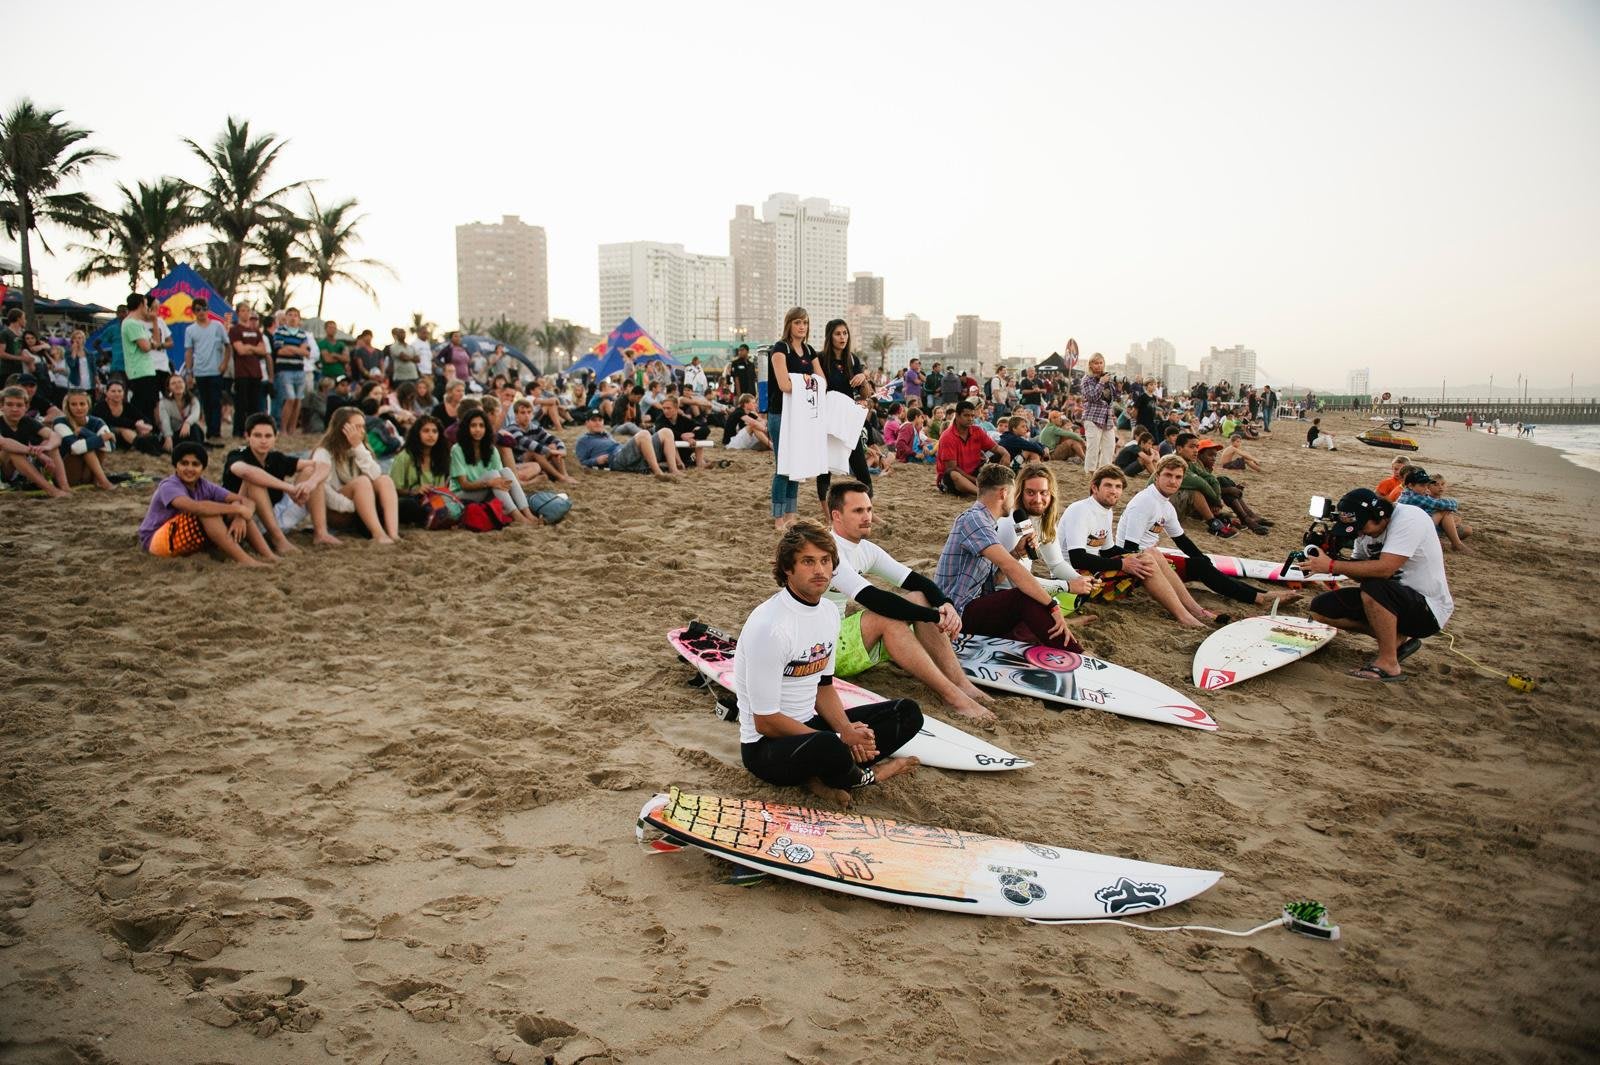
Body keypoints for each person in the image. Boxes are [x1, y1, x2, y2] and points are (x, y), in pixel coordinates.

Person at [733, 519, 923, 806]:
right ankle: (866, 776)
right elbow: (766, 722)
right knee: (828, 744)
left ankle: (821, 776)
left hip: (811, 727)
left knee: (907, 713)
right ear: (788, 568)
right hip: (767, 747)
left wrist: (846, 729)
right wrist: (839, 737)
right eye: (808, 561)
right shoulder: (770, 627)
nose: (820, 570)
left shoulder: (828, 613)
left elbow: (823, 686)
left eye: (825, 561)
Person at [825, 480, 995, 722]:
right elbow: (875, 600)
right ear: (836, 515)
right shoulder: (827, 551)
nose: (867, 517)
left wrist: (945, 604)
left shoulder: (865, 549)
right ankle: (953, 697)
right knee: (887, 618)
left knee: (919, 597)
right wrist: (934, 616)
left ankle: (960, 683)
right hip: (823, 651)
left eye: (869, 509)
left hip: (844, 639)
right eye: (858, 511)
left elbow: (917, 582)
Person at [1303, 488, 1452, 682]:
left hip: (1427, 610)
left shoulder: (1410, 518)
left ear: (1380, 516)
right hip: (1388, 601)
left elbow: (1385, 570)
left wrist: (1332, 565)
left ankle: (1389, 664)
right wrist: (1331, 557)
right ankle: (1396, 640)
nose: (1360, 533)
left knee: (1374, 586)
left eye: (1361, 527)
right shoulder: (1364, 533)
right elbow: (1360, 574)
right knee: (1321, 608)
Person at [1116, 455, 1298, 612]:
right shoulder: (1145, 502)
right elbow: (1128, 547)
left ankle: (1263, 594)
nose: (1173, 481)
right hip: (1141, 565)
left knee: (1203, 564)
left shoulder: (1165, 505)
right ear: (1157, 476)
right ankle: (1259, 598)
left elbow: (1182, 540)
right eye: (1168, 475)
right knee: (1201, 567)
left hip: (1152, 558)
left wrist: (1204, 559)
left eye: (1178, 477)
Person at [935, 464, 1084, 649]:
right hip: (956, 612)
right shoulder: (975, 520)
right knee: (1025, 598)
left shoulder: (988, 523)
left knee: (1030, 606)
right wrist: (1052, 605)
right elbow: (1010, 570)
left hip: (972, 605)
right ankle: (1075, 653)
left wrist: (1016, 553)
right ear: (1004, 493)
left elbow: (995, 579)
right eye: (1015, 494)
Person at [1058, 465, 1220, 628]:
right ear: (1094, 487)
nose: (1114, 491)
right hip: (1075, 580)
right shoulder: (1080, 511)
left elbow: (1108, 550)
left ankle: (1195, 609)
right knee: (1146, 562)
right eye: (1108, 485)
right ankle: (1184, 616)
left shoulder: (1105, 510)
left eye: (1118, 487)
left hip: (1091, 572)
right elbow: (1077, 558)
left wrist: (1139, 556)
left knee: (1151, 553)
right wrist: (1123, 564)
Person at [137, 442, 274, 566]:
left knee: (232, 511)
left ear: (202, 468)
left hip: (185, 537)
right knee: (209, 512)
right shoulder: (169, 485)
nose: (189, 468)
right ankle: (246, 561)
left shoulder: (204, 485)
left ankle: (269, 555)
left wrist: (240, 517)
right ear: (176, 466)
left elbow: (247, 501)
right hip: (155, 541)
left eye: (195, 464)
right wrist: (238, 509)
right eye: (184, 463)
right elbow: (195, 507)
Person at [224, 412, 340, 551]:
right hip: (245, 517)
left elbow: (323, 466)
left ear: (275, 437)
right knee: (254, 481)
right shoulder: (238, 454)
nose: (263, 441)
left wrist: (310, 484)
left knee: (309, 472)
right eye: (257, 435)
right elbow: (246, 472)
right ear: (247, 436)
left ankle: (321, 533)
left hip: (276, 513)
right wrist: (288, 488)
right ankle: (278, 540)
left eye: (268, 436)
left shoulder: (276, 457)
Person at [766, 307, 825, 528]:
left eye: (805, 323)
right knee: (784, 466)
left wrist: (807, 381)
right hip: (780, 413)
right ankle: (778, 518)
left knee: (797, 464)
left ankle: (791, 514)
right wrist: (806, 380)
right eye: (798, 322)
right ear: (789, 324)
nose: (802, 327)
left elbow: (821, 381)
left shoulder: (809, 350)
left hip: (801, 414)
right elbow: (784, 384)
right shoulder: (780, 348)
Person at [310, 407, 400, 543]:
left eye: (363, 426)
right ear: (343, 429)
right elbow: (325, 492)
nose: (362, 431)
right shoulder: (324, 452)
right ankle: (379, 534)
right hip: (338, 511)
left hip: (362, 508)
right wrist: (353, 505)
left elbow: (375, 475)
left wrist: (358, 447)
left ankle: (393, 533)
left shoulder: (360, 448)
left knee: (385, 480)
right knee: (362, 482)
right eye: (357, 427)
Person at [449, 408, 540, 526]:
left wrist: (493, 483)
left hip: (488, 491)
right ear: (467, 428)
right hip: (461, 495)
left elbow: (501, 480)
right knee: (492, 475)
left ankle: (527, 513)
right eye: (473, 425)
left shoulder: (491, 449)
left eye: (481, 426)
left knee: (506, 471)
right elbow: (464, 484)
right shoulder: (457, 449)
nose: (478, 429)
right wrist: (489, 483)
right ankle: (518, 517)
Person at [814, 319, 873, 501]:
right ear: (829, 336)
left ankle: (867, 509)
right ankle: (827, 513)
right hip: (828, 418)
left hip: (848, 419)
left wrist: (863, 378)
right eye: (838, 333)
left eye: (845, 333)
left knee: (861, 468)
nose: (842, 337)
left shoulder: (852, 359)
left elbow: (865, 395)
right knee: (824, 471)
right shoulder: (820, 359)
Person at [0, 385, 70, 496]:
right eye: (9, 404)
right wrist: (37, 453)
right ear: (1, 406)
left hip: (21, 467)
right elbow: (4, 443)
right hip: (4, 469)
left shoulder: (27, 421)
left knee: (49, 444)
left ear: (26, 407)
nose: (14, 409)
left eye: (19, 405)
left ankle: (65, 487)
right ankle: (51, 490)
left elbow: (55, 436)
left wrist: (47, 447)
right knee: (13, 451)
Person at [575, 408, 682, 478]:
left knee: (666, 432)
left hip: (626, 454)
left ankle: (674, 470)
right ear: (587, 423)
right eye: (594, 420)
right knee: (644, 434)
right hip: (616, 459)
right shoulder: (583, 440)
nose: (598, 423)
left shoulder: (606, 434)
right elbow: (581, 462)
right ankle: (658, 472)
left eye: (600, 420)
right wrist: (596, 460)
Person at [390, 414, 455, 527]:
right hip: (409, 500)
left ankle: (432, 518)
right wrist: (415, 491)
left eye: (435, 431)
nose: (431, 435)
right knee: (409, 504)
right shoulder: (404, 457)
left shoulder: (441, 457)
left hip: (433, 502)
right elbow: (393, 489)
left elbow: (442, 489)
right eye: (426, 431)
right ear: (417, 434)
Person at [935, 399, 1010, 497]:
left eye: (972, 416)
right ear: (957, 416)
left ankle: (998, 487)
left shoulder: (977, 431)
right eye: (966, 415)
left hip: (974, 473)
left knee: (1000, 455)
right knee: (953, 474)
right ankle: (983, 494)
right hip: (953, 479)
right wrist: (975, 480)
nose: (970, 419)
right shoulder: (947, 437)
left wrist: (1006, 454)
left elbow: (996, 447)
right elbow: (952, 468)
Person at [48, 390, 116, 490]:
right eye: (74, 404)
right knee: (85, 447)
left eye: (82, 404)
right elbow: (75, 448)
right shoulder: (60, 422)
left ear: (88, 405)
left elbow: (109, 447)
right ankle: (104, 482)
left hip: (88, 473)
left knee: (88, 445)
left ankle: (98, 479)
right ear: (68, 406)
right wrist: (101, 438)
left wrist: (84, 431)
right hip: (67, 473)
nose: (78, 408)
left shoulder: (97, 422)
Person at [183, 298, 230, 440]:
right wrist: (189, 372)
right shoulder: (190, 330)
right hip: (200, 371)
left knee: (216, 401)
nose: (202, 312)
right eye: (198, 309)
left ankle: (216, 432)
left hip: (216, 370)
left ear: (208, 310)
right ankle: (209, 430)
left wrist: (224, 363)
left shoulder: (217, 326)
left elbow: (228, 346)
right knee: (205, 402)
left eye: (204, 309)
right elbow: (189, 351)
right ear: (194, 312)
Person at [1397, 467, 1473, 552]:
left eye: (1426, 485)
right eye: (1422, 486)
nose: (1426, 488)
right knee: (1443, 511)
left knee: (1455, 520)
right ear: (1410, 485)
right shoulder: (1414, 497)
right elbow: (1442, 505)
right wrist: (1454, 503)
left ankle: (1453, 542)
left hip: (1411, 527)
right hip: (1410, 531)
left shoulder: (1410, 493)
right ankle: (1456, 544)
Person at [506, 398, 578, 484]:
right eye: (523, 413)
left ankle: (564, 474)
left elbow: (554, 439)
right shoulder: (512, 428)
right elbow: (526, 443)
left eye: (529, 412)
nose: (527, 416)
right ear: (516, 415)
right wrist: (550, 451)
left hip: (534, 459)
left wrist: (562, 450)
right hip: (518, 462)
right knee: (535, 451)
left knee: (553, 446)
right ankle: (560, 477)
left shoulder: (535, 428)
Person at [228, 306, 270, 437]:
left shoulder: (256, 331)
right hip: (241, 372)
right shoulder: (235, 330)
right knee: (241, 404)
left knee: (254, 405)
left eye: (248, 311)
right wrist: (254, 348)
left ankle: (253, 431)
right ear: (238, 313)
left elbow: (263, 351)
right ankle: (238, 431)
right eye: (243, 310)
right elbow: (240, 350)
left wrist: (248, 347)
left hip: (256, 372)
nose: (246, 313)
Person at [271, 308, 313, 434]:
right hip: (285, 370)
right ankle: (283, 428)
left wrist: (289, 347)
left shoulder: (302, 334)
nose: (293, 317)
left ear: (299, 318)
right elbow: (280, 351)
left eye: (295, 315)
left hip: (299, 370)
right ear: (286, 317)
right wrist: (298, 350)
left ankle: (292, 429)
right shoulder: (280, 331)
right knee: (290, 398)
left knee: (298, 400)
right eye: (290, 315)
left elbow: (306, 352)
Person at [121, 293, 161, 423]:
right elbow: (145, 346)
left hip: (146, 370)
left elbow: (157, 343)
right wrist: (150, 344)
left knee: (151, 404)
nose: (148, 308)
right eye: (146, 304)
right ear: (141, 304)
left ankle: (150, 429)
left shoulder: (138, 324)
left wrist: (155, 321)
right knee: (144, 407)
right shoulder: (131, 323)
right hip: (139, 371)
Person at [1078, 353, 1119, 473]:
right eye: (1096, 363)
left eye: (1101, 363)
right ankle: (1090, 472)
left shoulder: (1106, 378)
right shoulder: (1086, 379)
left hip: (1107, 418)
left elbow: (1112, 397)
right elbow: (1092, 397)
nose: (1099, 365)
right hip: (1092, 417)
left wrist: (1114, 384)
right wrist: (1101, 382)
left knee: (1109, 447)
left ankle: (1104, 472)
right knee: (1093, 448)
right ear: (1090, 365)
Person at [156, 374, 205, 452]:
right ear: (168, 387)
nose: (177, 385)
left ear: (185, 384)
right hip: (175, 434)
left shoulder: (193, 400)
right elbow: (165, 421)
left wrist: (187, 423)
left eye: (180, 382)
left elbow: (196, 415)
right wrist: (168, 436)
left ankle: (197, 451)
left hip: (191, 432)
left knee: (194, 427)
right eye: (173, 383)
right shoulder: (164, 402)